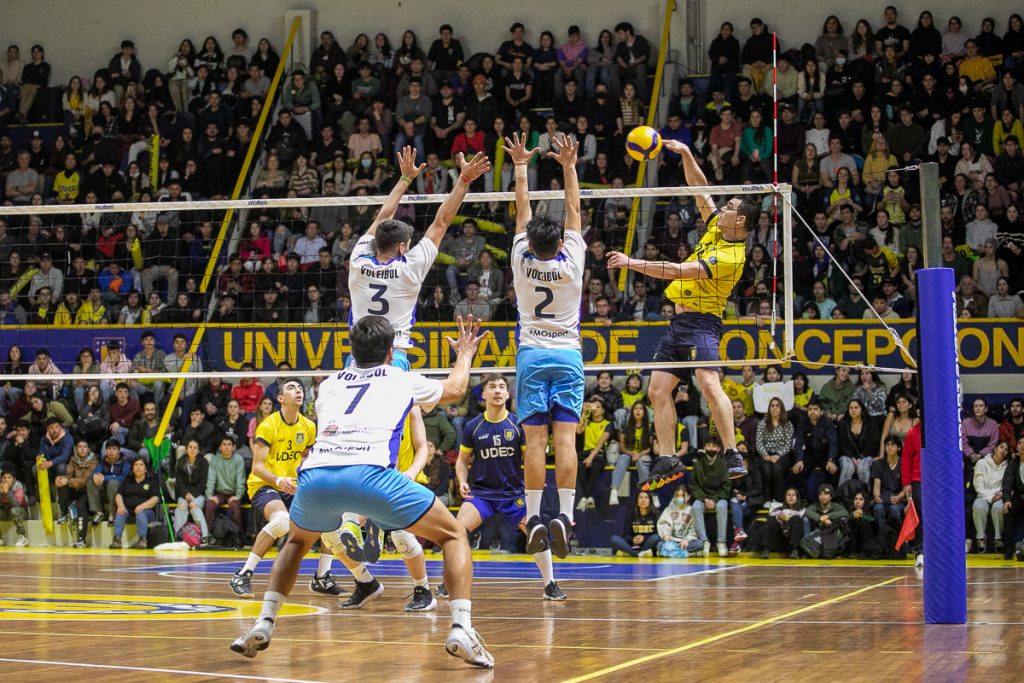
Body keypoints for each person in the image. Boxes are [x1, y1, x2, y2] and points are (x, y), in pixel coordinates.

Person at [231, 316, 494, 669]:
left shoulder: (328, 386)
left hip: (317, 477)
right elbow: (457, 389)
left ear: (351, 351)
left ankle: (264, 620)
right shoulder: (400, 379)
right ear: (390, 352)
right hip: (371, 475)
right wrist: (464, 353)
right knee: (453, 533)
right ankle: (462, 627)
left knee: (296, 542)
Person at [607, 140, 758, 489]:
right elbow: (699, 189)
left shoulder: (732, 256)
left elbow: (677, 271)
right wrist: (687, 154)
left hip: (703, 323)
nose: (722, 209)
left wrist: (632, 263)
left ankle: (732, 452)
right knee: (657, 391)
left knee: (708, 383)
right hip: (678, 324)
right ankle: (668, 458)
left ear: (742, 220)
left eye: (730, 207)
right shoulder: (718, 226)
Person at [503, 132, 584, 560]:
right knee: (565, 439)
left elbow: (522, 212)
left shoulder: (520, 258)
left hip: (532, 354)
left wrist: (521, 166)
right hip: (568, 353)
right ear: (557, 243)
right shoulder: (572, 261)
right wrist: (569, 164)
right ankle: (566, 517)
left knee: (534, 443)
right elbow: (573, 209)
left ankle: (534, 516)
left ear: (531, 244)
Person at [349, 146, 489, 371]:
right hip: (393, 356)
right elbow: (442, 222)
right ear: (402, 247)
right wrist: (464, 179)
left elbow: (382, 216)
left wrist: (404, 177)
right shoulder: (410, 268)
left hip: (358, 357)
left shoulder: (358, 261)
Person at [438, 374, 564, 600]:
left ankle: (550, 585)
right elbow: (462, 461)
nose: (497, 390)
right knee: (456, 530)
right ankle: (448, 582)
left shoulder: (517, 425)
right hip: (482, 494)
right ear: (483, 395)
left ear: (507, 394)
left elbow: (531, 459)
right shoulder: (473, 426)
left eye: (502, 387)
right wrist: (463, 480)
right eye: (492, 387)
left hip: (513, 493)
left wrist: (536, 479)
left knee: (537, 531)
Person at [228, 377, 337, 597]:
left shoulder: (308, 426)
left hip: (294, 486)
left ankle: (322, 577)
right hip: (265, 484)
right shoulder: (268, 425)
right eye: (291, 388)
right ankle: (242, 574)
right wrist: (279, 481)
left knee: (332, 521)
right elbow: (257, 467)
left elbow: (307, 458)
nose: (298, 391)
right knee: (281, 522)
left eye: (299, 388)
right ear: (280, 398)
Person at [691, 437, 732, 557]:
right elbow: (694, 486)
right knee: (695, 507)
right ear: (704, 448)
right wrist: (704, 499)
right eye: (708, 446)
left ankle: (721, 541)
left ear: (718, 449)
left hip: (719, 497)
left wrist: (714, 499)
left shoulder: (724, 464)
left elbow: (727, 486)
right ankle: (704, 541)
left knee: (721, 507)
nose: (711, 449)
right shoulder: (698, 465)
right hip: (703, 497)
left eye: (713, 446)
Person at [972, 440, 1010, 554]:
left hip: (999, 497)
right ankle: (980, 538)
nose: (1003, 450)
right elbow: (978, 486)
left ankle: (998, 539)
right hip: (983, 496)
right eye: (1001, 447)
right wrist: (990, 497)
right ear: (995, 449)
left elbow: (1008, 485)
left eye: (1006, 449)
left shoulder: (1007, 466)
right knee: (978, 506)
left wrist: (1001, 495)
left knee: (998, 508)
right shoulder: (982, 463)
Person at [656, 484, 704, 557]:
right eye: (678, 495)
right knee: (659, 545)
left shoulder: (692, 511)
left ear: (688, 497)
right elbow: (664, 524)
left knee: (699, 544)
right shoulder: (669, 509)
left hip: (685, 542)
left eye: (682, 495)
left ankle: (670, 552)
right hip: (671, 541)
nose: (680, 498)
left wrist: (687, 540)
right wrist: (666, 535)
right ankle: (685, 553)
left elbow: (694, 529)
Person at [610, 490, 659, 557]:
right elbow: (626, 534)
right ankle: (637, 553)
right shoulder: (631, 515)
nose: (643, 500)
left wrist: (644, 538)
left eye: (646, 497)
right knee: (614, 538)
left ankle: (630, 553)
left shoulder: (655, 515)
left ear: (650, 501)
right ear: (637, 501)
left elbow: (658, 534)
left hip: (647, 544)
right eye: (641, 497)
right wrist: (633, 539)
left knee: (656, 538)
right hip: (633, 545)